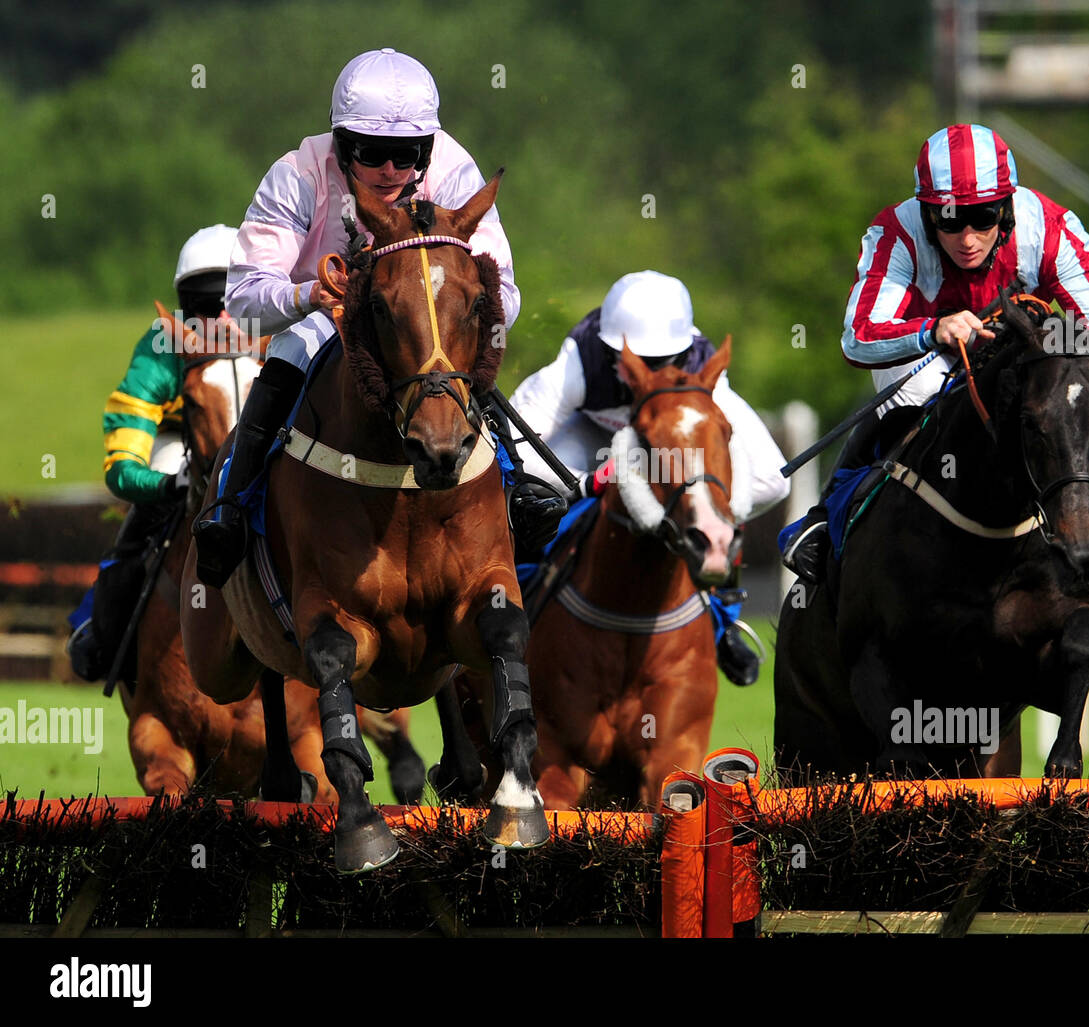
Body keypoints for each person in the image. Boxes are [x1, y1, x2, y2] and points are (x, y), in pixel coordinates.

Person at [192, 47, 558, 587]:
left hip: (420, 328)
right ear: (341, 145)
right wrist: (308, 295)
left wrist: (458, 310)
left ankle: (518, 485)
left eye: (406, 153)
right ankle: (230, 504)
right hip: (325, 320)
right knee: (293, 348)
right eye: (370, 152)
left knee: (454, 354)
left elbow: (505, 285)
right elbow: (244, 294)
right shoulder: (296, 174)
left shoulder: (455, 169)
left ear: (427, 150)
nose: (389, 169)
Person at [781, 123, 1089, 583]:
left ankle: (1080, 530)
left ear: (1006, 209)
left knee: (1076, 395)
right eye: (948, 220)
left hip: (1017, 356)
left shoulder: (1048, 228)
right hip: (927, 356)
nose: (967, 237)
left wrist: (1048, 346)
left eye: (983, 217)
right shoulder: (897, 232)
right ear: (928, 215)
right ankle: (826, 517)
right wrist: (934, 330)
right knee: (924, 389)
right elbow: (859, 337)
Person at [507, 270, 791, 685]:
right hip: (591, 443)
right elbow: (512, 445)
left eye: (659, 362)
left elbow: (770, 478)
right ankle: (514, 600)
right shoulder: (578, 361)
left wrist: (701, 505)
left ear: (683, 352)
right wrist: (584, 483)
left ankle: (723, 619)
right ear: (608, 350)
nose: (645, 370)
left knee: (768, 481)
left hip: (665, 448)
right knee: (533, 490)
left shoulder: (701, 364)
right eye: (632, 360)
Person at [68, 225, 238, 680]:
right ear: (183, 311)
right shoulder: (161, 350)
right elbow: (123, 465)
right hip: (181, 447)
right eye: (203, 307)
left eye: (233, 301)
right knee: (140, 521)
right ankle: (99, 630)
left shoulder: (280, 331)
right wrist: (168, 485)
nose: (219, 319)